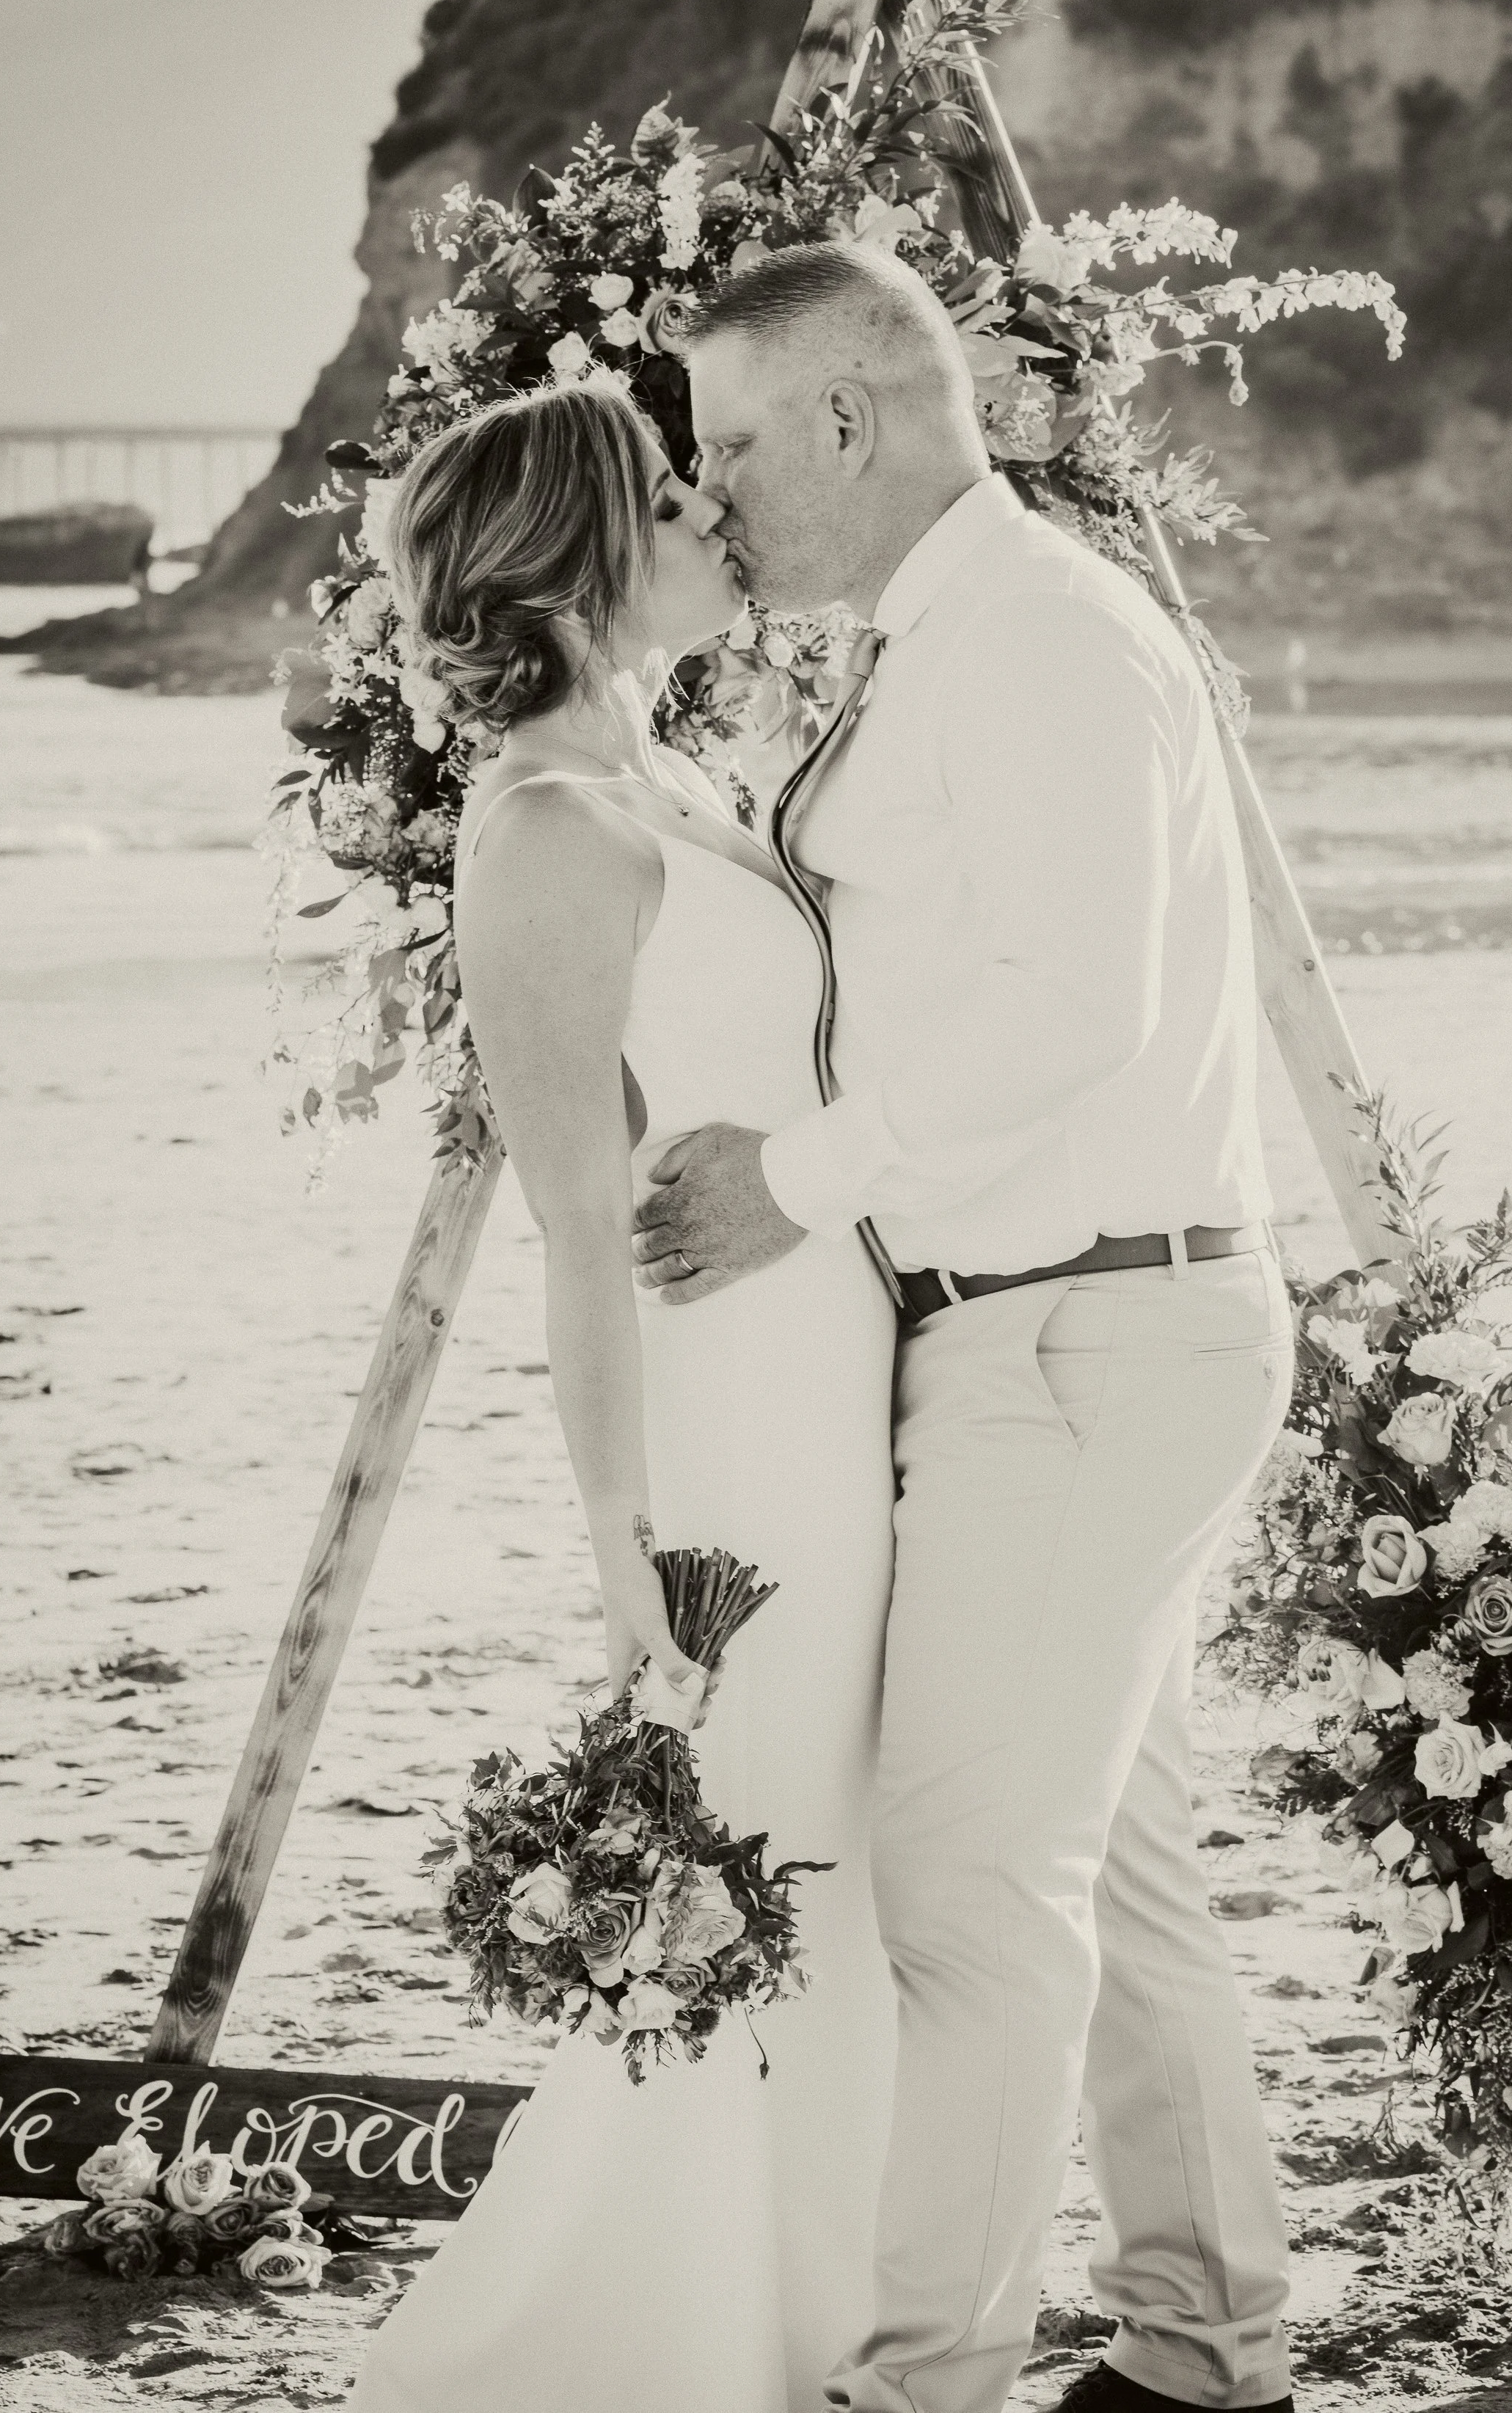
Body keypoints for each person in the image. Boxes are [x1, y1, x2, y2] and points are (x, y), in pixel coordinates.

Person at [632, 241, 1299, 2413]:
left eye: (734, 441)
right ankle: (1210, 2353)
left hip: (1083, 1344)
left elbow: (1074, 1010)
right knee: (1128, 1872)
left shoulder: (1037, 641)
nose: (709, 492)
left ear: (846, 419)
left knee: (966, 1890)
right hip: (1076, 1333)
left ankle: (928, 2386)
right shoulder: (953, 638)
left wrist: (790, 1177)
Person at [346, 373, 900, 2413]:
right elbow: (579, 1224)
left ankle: (825, 2315)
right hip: (734, 1413)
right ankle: (666, 2341)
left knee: (847, 1864)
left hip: (847, 1368)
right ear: (580, 565)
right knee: (760, 1851)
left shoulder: (677, 777)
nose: (708, 516)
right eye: (668, 498)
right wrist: (620, 1554)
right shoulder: (546, 834)